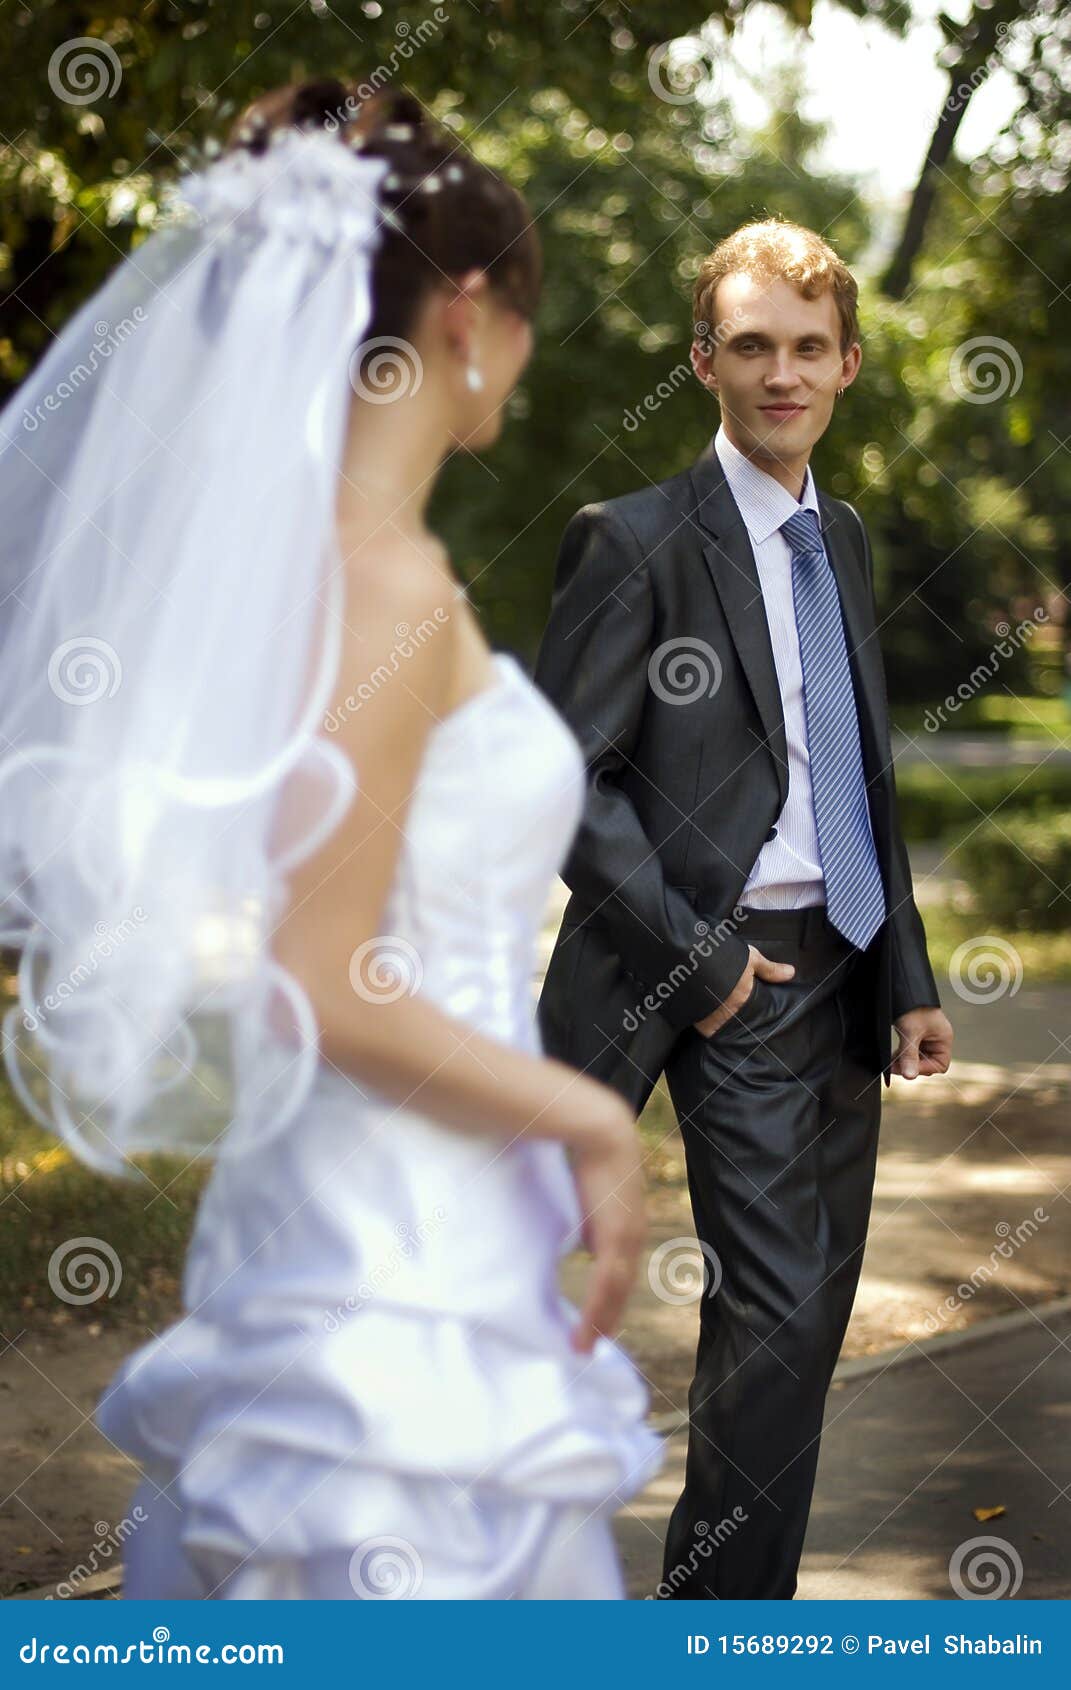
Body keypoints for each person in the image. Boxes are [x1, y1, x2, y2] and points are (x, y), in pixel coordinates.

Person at [0, 78, 662, 1599]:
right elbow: (326, 975)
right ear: (472, 312)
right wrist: (592, 1117)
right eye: (527, 320)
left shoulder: (324, 568)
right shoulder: (386, 585)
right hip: (388, 1256)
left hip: (387, 1216)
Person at [534, 218, 954, 1599]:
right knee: (775, 1322)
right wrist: (699, 956)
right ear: (705, 360)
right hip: (720, 975)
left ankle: (726, 1617)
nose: (784, 372)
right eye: (755, 345)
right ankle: (713, 1631)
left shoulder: (843, 537)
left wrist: (908, 972)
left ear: (845, 367)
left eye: (811, 348)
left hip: (840, 971)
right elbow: (568, 784)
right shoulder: (635, 541)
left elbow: (860, 760)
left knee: (807, 1320)